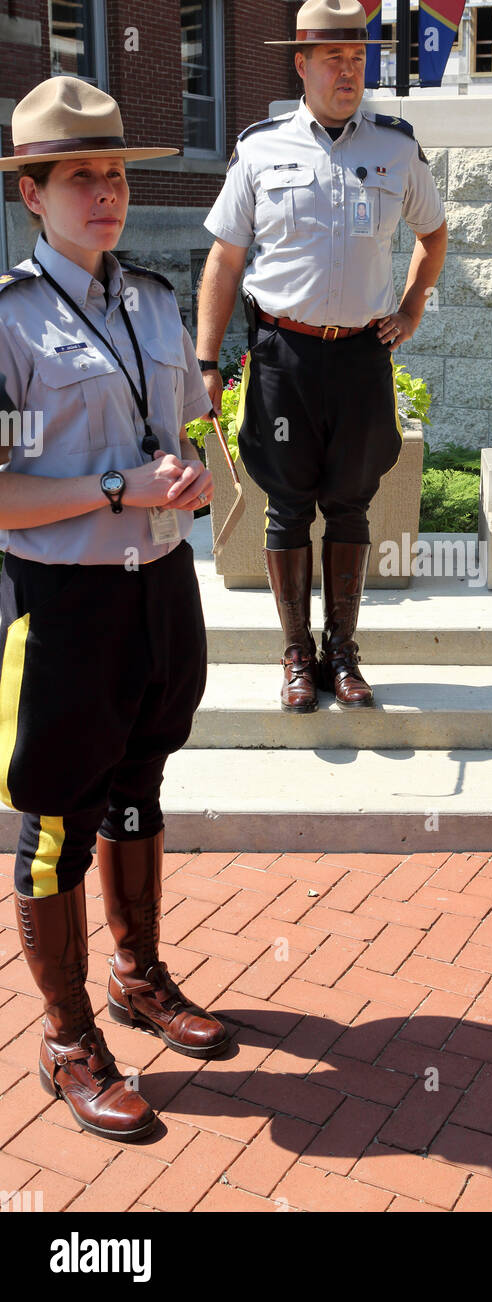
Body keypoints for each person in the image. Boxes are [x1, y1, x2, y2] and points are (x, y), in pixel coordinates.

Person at [0, 76, 230, 1143]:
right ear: (32, 196)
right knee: (55, 819)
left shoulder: (151, 297)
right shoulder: (7, 320)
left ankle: (139, 976)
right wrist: (111, 490)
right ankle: (65, 1039)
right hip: (60, 604)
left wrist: (185, 474)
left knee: (141, 778)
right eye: (78, 177)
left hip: (159, 588)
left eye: (115, 174)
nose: (105, 193)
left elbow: (179, 433)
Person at [196, 0, 447, 714]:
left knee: (352, 504)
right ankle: (296, 656)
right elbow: (223, 261)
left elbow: (433, 236)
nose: (348, 70)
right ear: (300, 64)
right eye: (332, 57)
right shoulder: (258, 149)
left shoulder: (396, 148)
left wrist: (410, 307)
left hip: (362, 359)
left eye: (358, 56)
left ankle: (343, 654)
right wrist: (207, 365)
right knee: (285, 506)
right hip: (284, 359)